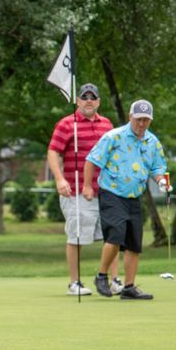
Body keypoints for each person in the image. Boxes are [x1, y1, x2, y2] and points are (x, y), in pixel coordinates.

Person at [82, 99, 168, 300]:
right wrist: (86, 186)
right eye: (138, 119)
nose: (142, 123)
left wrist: (161, 181)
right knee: (116, 234)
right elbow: (91, 160)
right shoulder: (114, 136)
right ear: (130, 117)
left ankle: (129, 287)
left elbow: (157, 168)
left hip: (134, 196)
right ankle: (101, 276)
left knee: (134, 242)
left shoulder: (153, 142)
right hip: (112, 193)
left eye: (146, 120)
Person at [47, 82, 123, 296]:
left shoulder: (107, 124)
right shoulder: (66, 124)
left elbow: (113, 154)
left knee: (113, 236)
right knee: (77, 236)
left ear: (98, 101)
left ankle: (113, 280)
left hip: (106, 190)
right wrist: (59, 179)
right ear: (78, 100)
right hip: (76, 191)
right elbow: (53, 152)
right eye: (84, 97)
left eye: (93, 97)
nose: (89, 101)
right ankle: (74, 283)